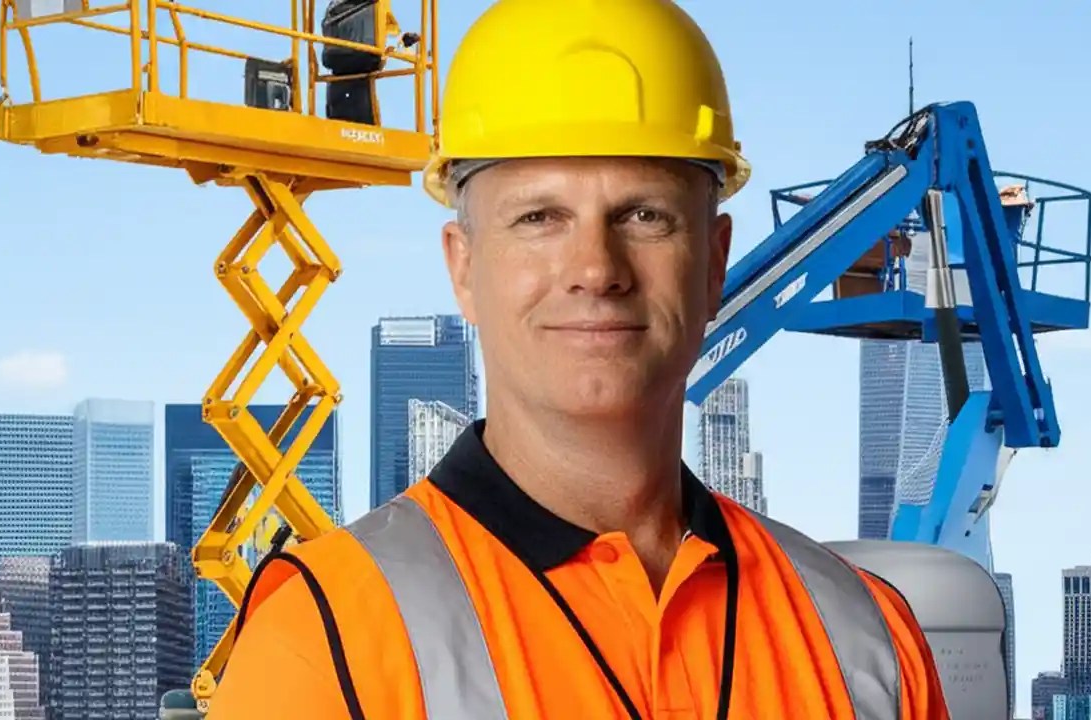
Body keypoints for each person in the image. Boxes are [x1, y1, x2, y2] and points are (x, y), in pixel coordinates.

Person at [207, 0, 951, 718]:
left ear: (716, 261)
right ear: (463, 268)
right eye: (540, 218)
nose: (596, 268)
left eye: (645, 216)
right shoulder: (322, 638)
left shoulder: (866, 641)